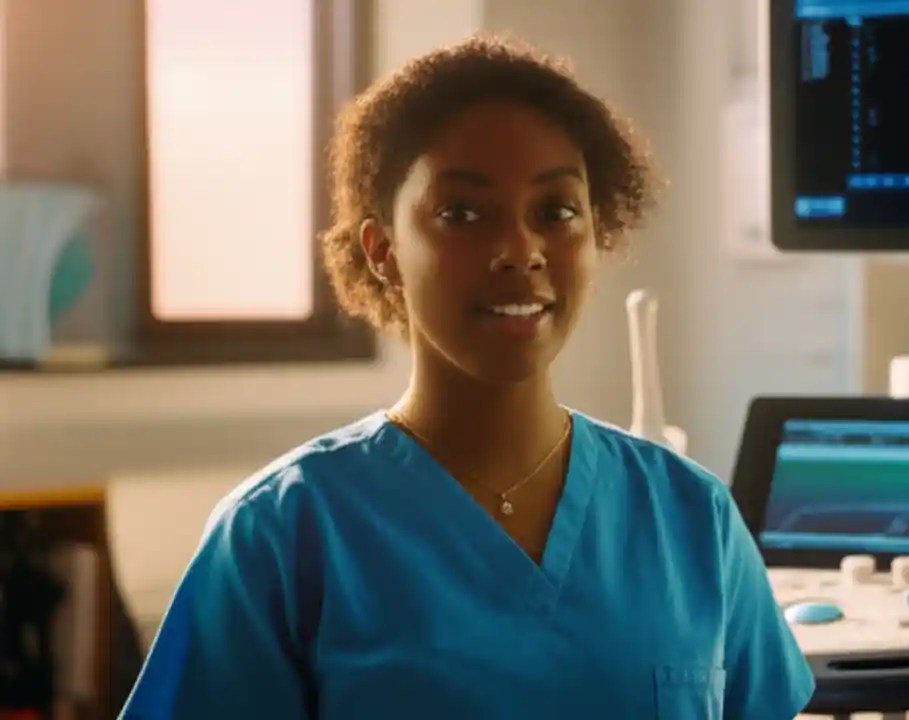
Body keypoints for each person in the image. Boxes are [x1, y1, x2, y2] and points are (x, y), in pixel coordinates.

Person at [120, 34, 814, 719]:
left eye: (557, 212)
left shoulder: (690, 518)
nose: (520, 250)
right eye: (462, 213)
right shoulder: (283, 534)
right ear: (384, 250)